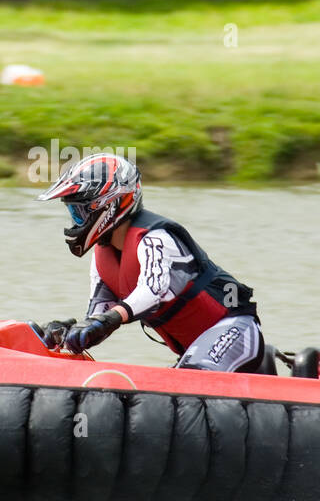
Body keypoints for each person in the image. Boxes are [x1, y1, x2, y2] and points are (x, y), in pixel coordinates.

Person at [37, 153, 271, 373]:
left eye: (79, 213)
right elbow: (100, 315)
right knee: (180, 383)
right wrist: (71, 334)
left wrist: (108, 320)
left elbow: (152, 292)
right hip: (192, 348)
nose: (75, 222)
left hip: (233, 329)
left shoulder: (155, 238)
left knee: (190, 385)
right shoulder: (102, 254)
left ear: (109, 204)